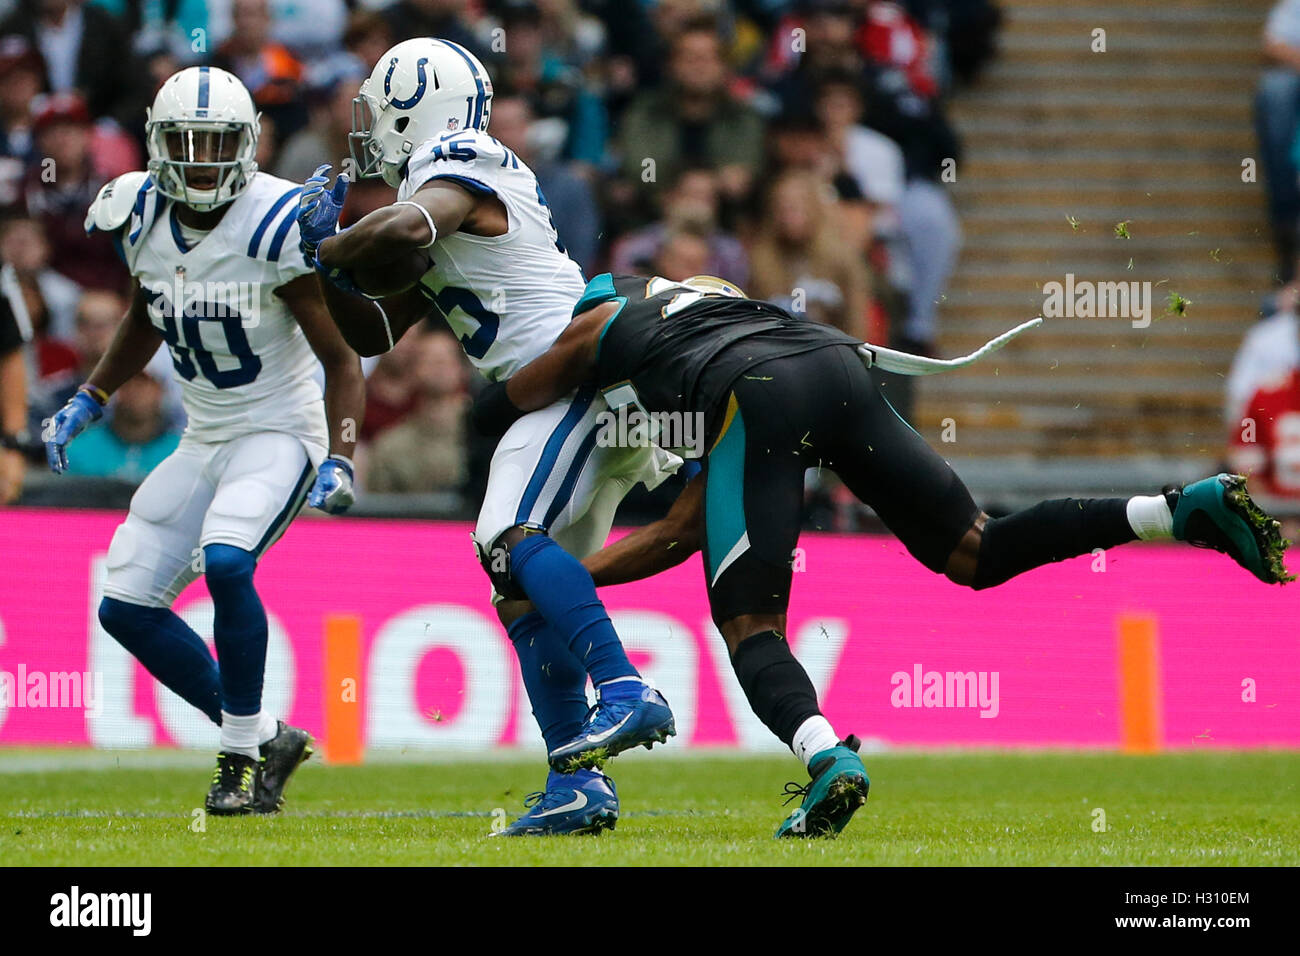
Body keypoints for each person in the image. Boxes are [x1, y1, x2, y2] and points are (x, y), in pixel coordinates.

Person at [478, 273, 1295, 836]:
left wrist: (560, 580)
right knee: (977, 547)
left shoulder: (607, 317)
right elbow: (682, 525)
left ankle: (827, 758)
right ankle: (1169, 511)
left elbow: (517, 393)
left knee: (752, 626)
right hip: (834, 360)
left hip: (753, 393)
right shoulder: (709, 308)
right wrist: (582, 583)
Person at [300, 37, 678, 836]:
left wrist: (335, 245)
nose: (366, 127)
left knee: (505, 535)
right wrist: (320, 271)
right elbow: (371, 334)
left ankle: (623, 687)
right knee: (519, 585)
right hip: (574, 391)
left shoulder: (458, 159)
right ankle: (576, 782)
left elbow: (406, 229)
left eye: (378, 106)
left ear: (414, 103)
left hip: (574, 375)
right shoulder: (432, 189)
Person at [42, 66, 369, 816]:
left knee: (226, 559)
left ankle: (236, 763)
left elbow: (342, 360)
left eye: (217, 143)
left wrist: (341, 454)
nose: (201, 160)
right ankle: (268, 736)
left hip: (279, 430)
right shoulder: (140, 215)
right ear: (157, 144)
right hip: (205, 435)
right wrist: (90, 395)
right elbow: (146, 313)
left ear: (248, 144)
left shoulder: (276, 221)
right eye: (185, 143)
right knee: (124, 604)